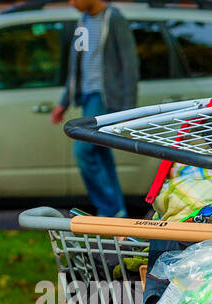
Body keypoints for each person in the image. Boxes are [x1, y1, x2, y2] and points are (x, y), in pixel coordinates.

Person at [50, 0, 139, 217]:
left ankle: (108, 209)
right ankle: (117, 210)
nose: (71, 3)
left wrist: (128, 109)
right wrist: (65, 101)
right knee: (100, 153)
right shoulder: (83, 21)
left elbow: (129, 65)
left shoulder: (113, 19)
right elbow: (76, 65)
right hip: (88, 96)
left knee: (83, 151)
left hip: (104, 97)